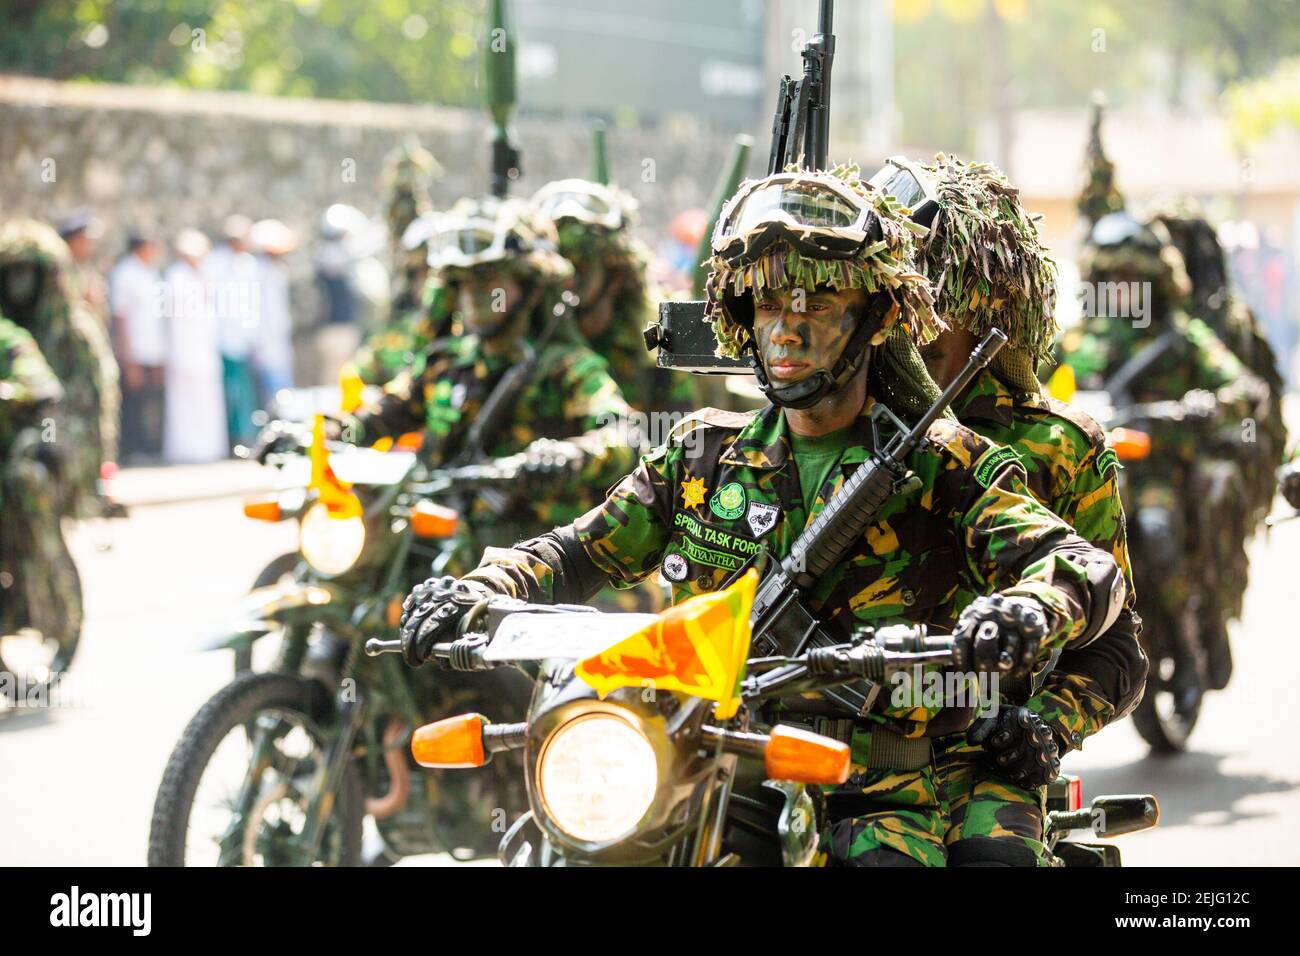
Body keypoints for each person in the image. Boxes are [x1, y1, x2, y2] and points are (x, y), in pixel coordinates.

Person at [398, 165, 1127, 867]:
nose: (789, 329)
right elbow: (575, 553)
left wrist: (1027, 611)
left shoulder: (945, 462)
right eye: (772, 304)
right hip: (706, 766)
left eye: (820, 304)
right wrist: (481, 588)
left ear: (876, 319)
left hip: (881, 791)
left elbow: (1081, 567)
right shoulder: (700, 456)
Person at [908, 154, 1146, 865]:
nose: (910, 329)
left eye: (931, 304)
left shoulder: (1058, 448)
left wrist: (1041, 725)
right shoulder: (823, 427)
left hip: (978, 758)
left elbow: (1116, 649)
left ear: (987, 310)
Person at [1054, 212, 1266, 692]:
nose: (1124, 288)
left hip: (1161, 470)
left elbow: (1240, 385)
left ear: (1155, 281)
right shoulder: (1081, 336)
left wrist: (1207, 406)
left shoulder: (1181, 335)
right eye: (1113, 278)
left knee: (1155, 531)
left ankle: (1191, 640)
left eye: (1134, 278)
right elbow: (1030, 378)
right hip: (1094, 471)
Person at [346, 197, 636, 547]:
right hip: (436, 540)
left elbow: (622, 432)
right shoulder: (445, 363)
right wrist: (329, 430)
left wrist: (568, 455)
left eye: (488, 281)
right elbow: (384, 414)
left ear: (530, 287)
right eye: (463, 283)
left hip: (533, 563)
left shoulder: (566, 368)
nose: (473, 296)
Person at [531, 178, 697, 417]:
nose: (567, 280)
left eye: (580, 267)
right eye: (559, 269)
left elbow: (683, 441)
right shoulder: (529, 339)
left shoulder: (656, 344)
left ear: (616, 275)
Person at [0, 220, 109, 515]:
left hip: (55, 442)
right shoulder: (6, 332)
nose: (18, 284)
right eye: (12, 272)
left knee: (27, 473)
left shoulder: (72, 334)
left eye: (26, 271)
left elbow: (86, 412)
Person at [0, 312, 74, 649]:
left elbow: (44, 392)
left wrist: (11, 391)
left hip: (20, 452)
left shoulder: (9, 339)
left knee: (25, 481)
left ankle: (50, 601)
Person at [161, 230, 226, 465]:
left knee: (207, 399)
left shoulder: (206, 275)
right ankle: (186, 449)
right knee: (184, 401)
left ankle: (208, 448)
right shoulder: (176, 276)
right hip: (183, 348)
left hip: (204, 348)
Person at [109, 231, 166, 464]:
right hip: (134, 351)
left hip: (152, 349)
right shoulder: (125, 273)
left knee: (149, 401)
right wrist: (127, 355)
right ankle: (130, 451)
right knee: (131, 402)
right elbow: (120, 317)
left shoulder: (151, 273)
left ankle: (148, 448)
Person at [206, 215, 262, 449]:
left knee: (244, 391)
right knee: (228, 392)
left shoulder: (248, 264)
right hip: (222, 338)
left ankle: (245, 437)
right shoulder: (215, 263)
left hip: (243, 338)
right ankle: (230, 438)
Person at [249, 219, 297, 403]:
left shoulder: (277, 270)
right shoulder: (256, 271)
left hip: (279, 339)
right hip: (265, 342)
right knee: (272, 394)